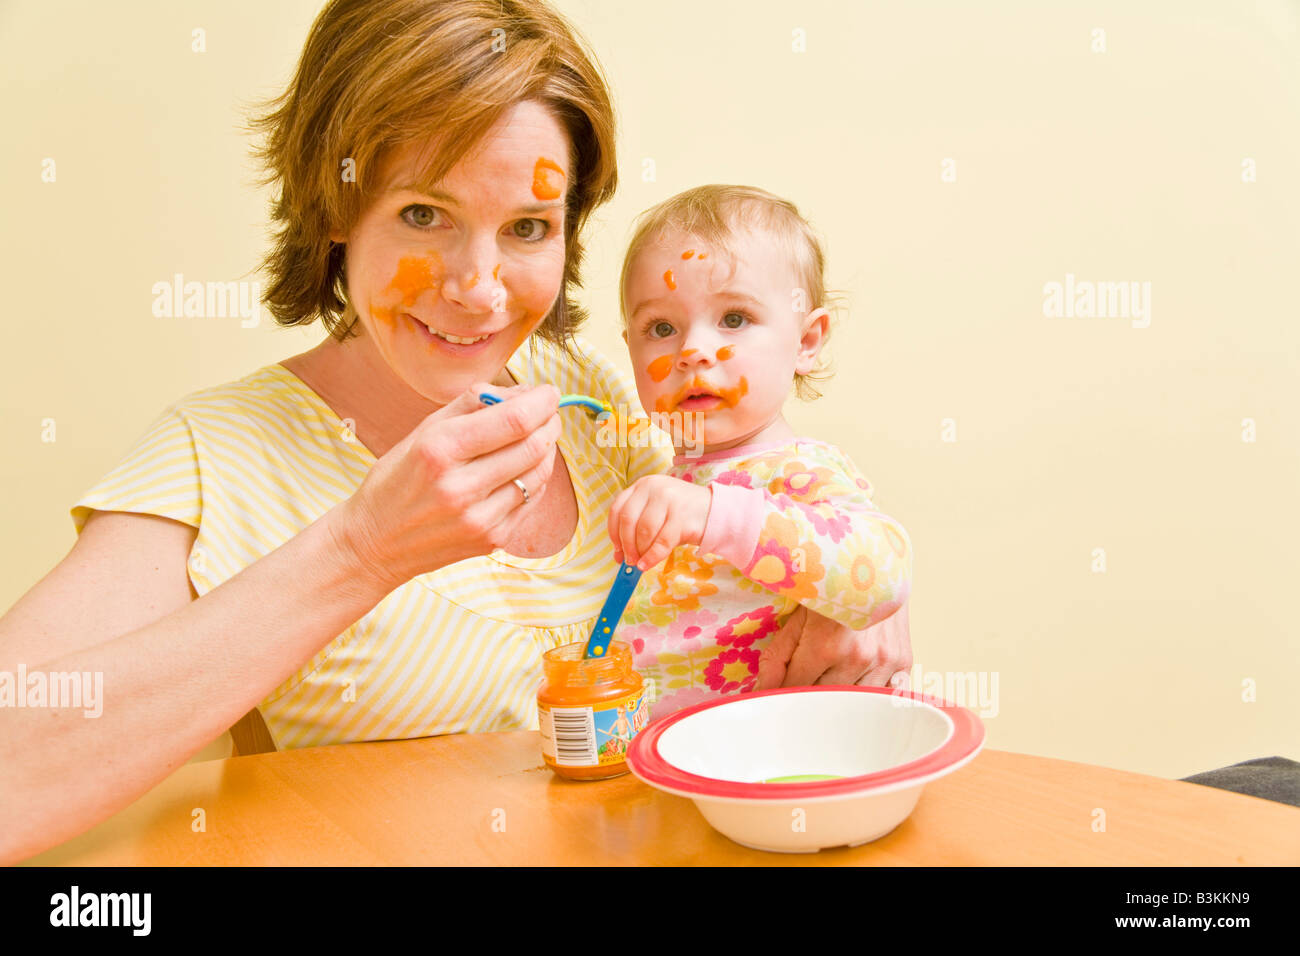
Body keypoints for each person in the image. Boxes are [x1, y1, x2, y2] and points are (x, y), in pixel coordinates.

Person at [0, 0, 911, 866]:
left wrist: (863, 598)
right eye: (424, 215)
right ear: (333, 208)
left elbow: (760, 521)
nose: (478, 287)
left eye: (526, 227)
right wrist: (360, 553)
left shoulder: (588, 397)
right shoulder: (219, 457)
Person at [607, 185, 912, 717]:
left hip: (789, 766)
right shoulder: (663, 482)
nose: (693, 351)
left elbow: (882, 576)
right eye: (661, 328)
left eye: (733, 319)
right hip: (667, 768)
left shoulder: (801, 471)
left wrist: (712, 515)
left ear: (807, 341)